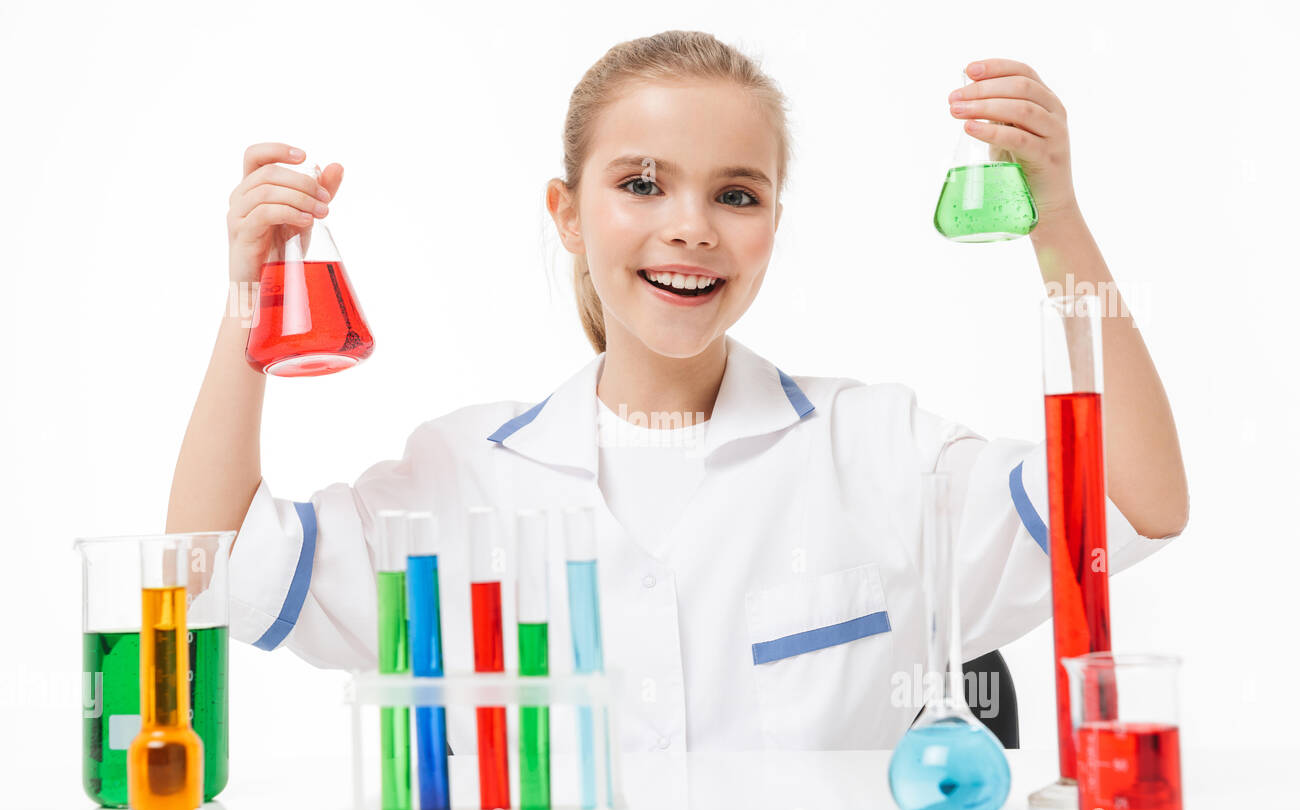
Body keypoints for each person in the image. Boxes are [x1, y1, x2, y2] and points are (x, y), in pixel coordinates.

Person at [167, 31, 1188, 752]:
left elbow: (1135, 502)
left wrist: (1056, 221)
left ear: (773, 225)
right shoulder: (462, 478)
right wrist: (243, 302)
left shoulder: (876, 448)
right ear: (567, 214)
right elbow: (210, 571)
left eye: (735, 194)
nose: (690, 225)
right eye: (642, 183)